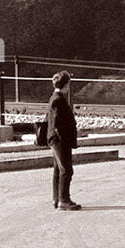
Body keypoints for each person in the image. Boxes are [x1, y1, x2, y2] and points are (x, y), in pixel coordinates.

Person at [46, 71, 81, 211]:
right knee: (66, 170)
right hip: (60, 140)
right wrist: (65, 139)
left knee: (58, 170)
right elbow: (57, 123)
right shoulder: (58, 100)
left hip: (56, 139)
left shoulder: (54, 97)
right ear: (66, 85)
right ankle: (64, 200)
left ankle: (57, 199)